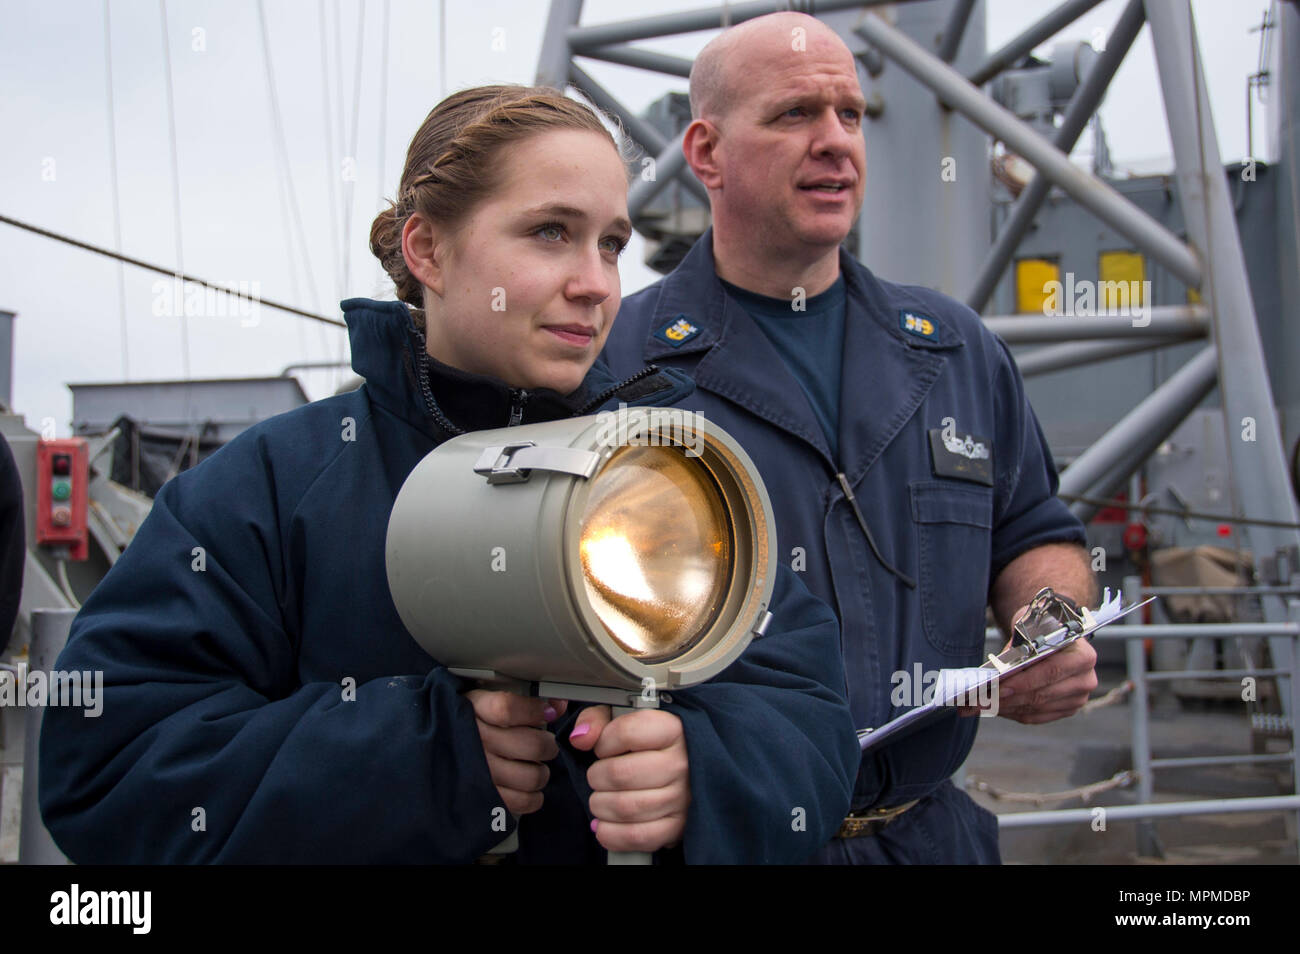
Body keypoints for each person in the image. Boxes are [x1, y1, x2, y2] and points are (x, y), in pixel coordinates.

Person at [37, 85, 860, 864]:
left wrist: (706, 772)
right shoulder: (273, 489)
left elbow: (806, 709)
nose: (596, 284)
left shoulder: (670, 478)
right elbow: (109, 765)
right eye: (550, 232)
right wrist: (423, 759)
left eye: (611, 243)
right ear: (427, 247)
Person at [601, 13, 1099, 864]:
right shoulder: (614, 364)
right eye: (795, 114)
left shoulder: (955, 349)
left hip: (932, 836)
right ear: (706, 152)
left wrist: (1049, 625)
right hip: (729, 842)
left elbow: (1036, 531)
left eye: (851, 114)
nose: (836, 143)